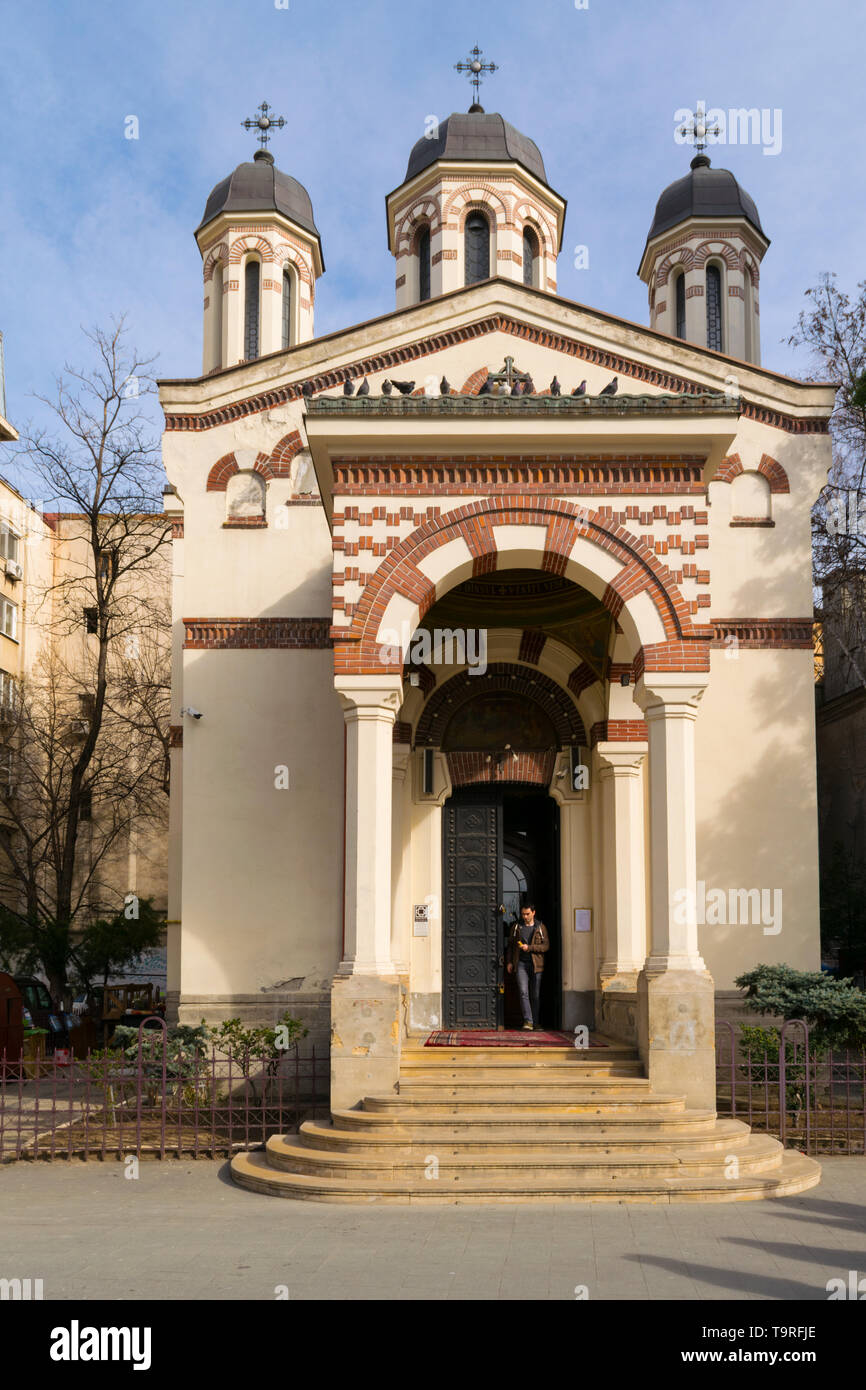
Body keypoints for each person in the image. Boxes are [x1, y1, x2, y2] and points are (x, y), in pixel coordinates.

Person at [506, 901, 549, 1030]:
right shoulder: (516, 927)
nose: (525, 916)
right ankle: (528, 1021)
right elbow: (511, 946)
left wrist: (529, 948)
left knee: (535, 994)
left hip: (537, 965)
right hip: (520, 964)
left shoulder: (541, 927)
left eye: (527, 914)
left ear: (533, 913)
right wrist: (509, 961)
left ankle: (535, 1022)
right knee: (523, 992)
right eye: (523, 914)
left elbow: (546, 946)